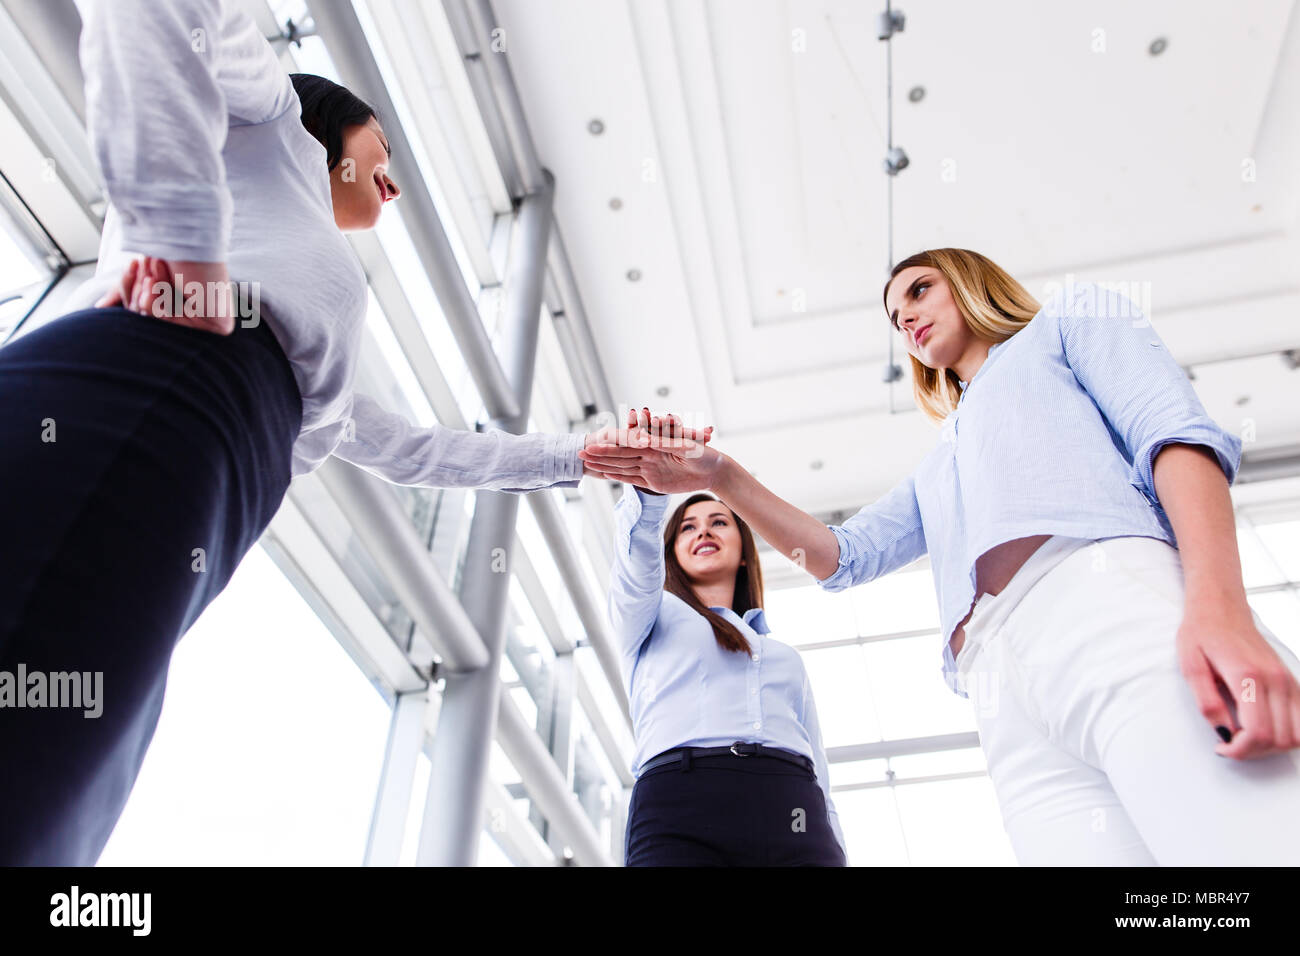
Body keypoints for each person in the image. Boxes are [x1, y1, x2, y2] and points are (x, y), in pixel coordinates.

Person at [0, 0, 698, 866]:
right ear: (332, 124)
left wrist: (576, 456)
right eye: (383, 150)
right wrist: (177, 244)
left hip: (211, 476)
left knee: (61, 777)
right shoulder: (277, 116)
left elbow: (413, 449)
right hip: (164, 394)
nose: (393, 181)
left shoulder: (309, 312)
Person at [582, 249, 1300, 865]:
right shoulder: (939, 463)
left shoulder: (1070, 321)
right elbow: (842, 557)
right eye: (896, 319)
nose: (909, 319)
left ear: (970, 278)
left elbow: (1175, 438)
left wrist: (1221, 606)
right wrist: (721, 476)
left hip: (1101, 600)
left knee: (1238, 850)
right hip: (999, 689)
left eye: (919, 290)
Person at [607, 409, 846, 866]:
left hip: (792, 808)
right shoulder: (651, 614)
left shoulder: (783, 658)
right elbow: (636, 570)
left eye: (719, 522)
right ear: (673, 550)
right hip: (681, 804)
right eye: (689, 528)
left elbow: (821, 773)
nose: (703, 533)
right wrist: (650, 489)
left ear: (742, 552)